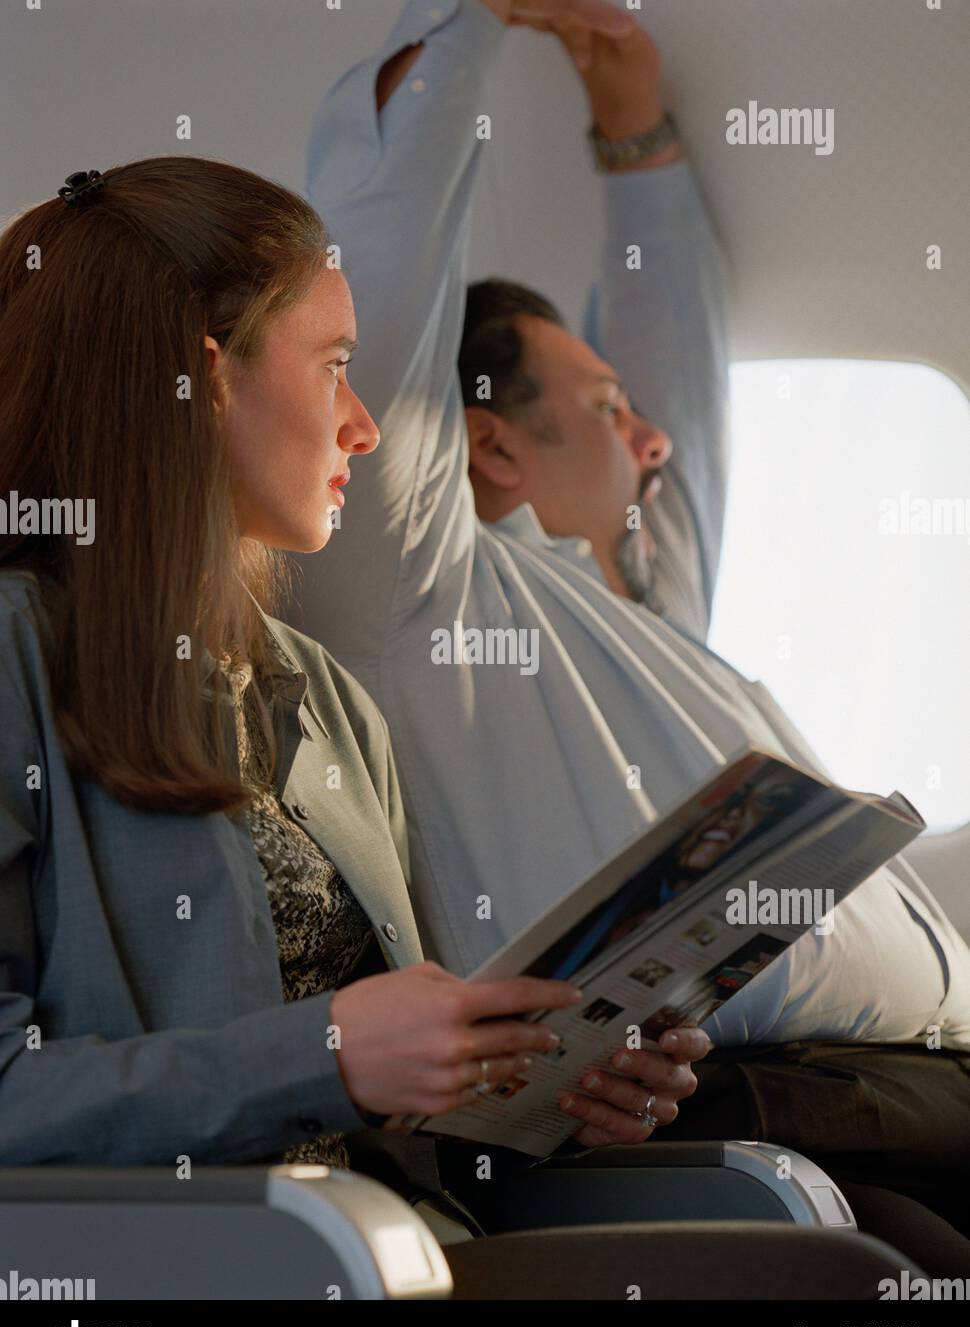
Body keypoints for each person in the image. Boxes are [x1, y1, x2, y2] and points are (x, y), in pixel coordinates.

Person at [290, 0, 970, 1254]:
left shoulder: (636, 609)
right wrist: (464, 25)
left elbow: (684, 389)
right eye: (606, 405)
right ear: (484, 440)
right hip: (769, 1099)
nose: (650, 433)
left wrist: (633, 124)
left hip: (909, 1084)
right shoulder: (431, 596)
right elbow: (385, 283)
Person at [0, 155, 705, 1172]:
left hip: (380, 1237)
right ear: (200, 379)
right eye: (334, 364)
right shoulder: (20, 654)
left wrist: (536, 1089)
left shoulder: (321, 696)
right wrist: (319, 1057)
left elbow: (377, 1112)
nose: (363, 426)